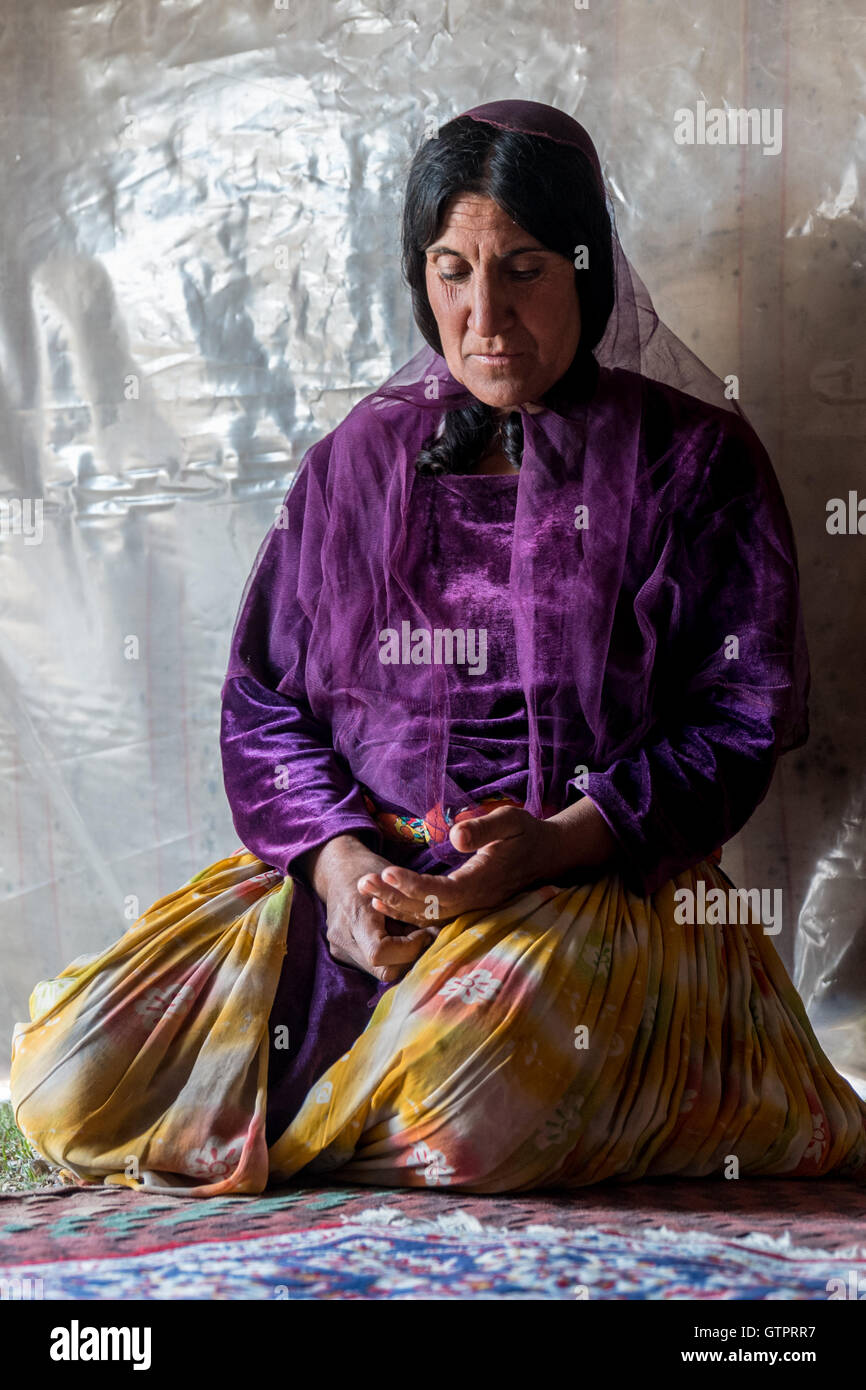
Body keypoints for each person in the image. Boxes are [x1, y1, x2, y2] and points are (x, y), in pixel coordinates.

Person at [10, 100, 866, 1196]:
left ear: (586, 271)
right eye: (451, 269)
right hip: (365, 887)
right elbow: (261, 704)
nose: (483, 314)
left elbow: (737, 720)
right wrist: (341, 868)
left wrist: (552, 844)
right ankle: (350, 1089)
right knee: (64, 1079)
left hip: (592, 887)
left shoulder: (691, 461)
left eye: (521, 268)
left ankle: (353, 1114)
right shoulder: (357, 461)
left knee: (465, 1104)